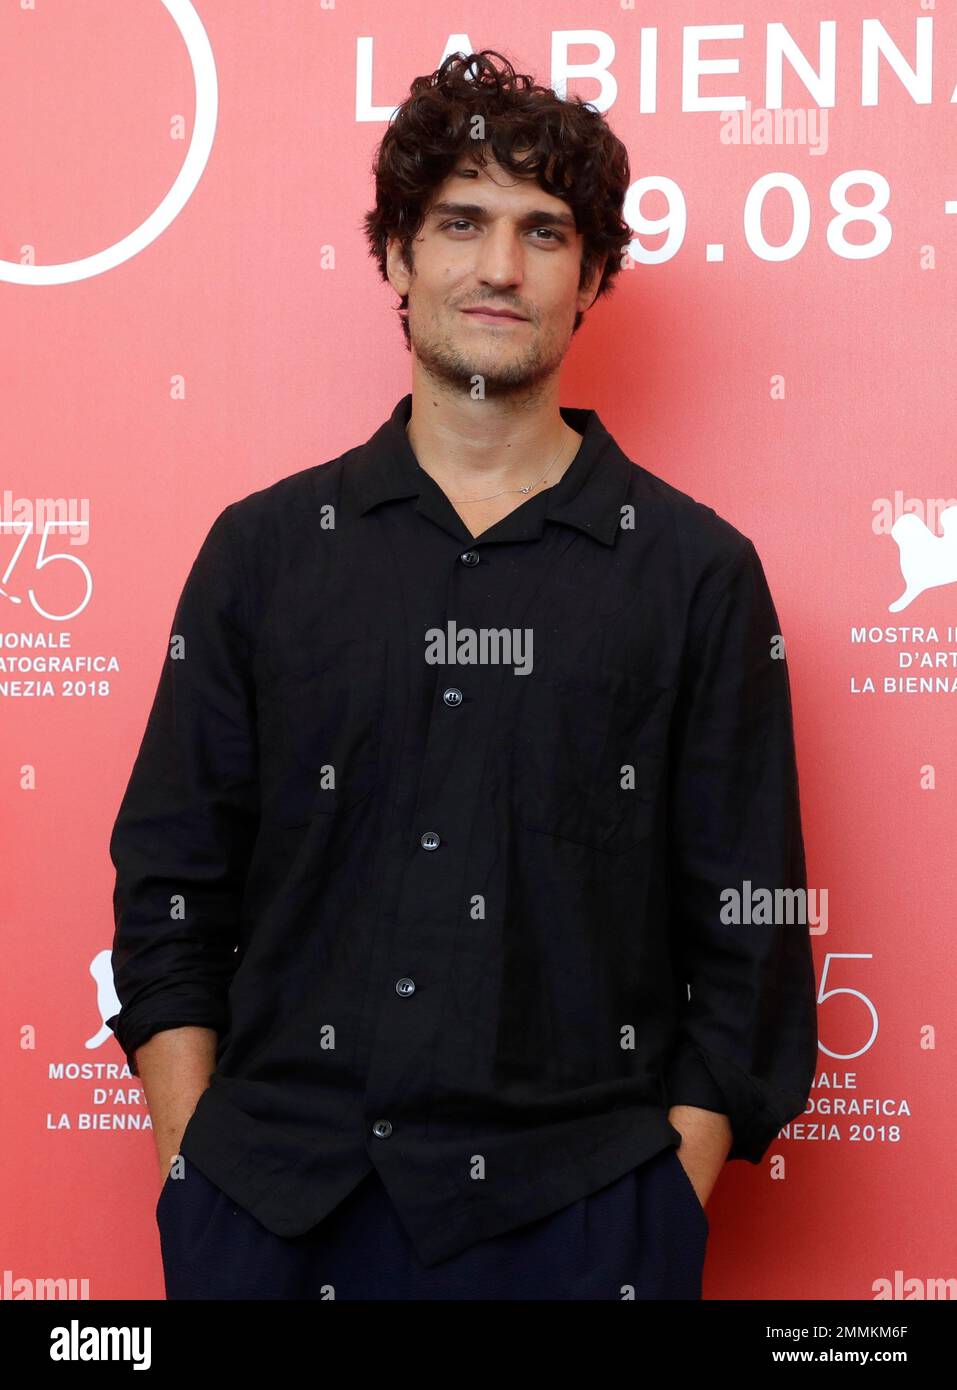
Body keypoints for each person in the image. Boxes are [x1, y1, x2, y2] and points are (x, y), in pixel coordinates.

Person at [107, 50, 818, 1301]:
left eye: (546, 232)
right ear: (394, 255)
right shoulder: (262, 553)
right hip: (273, 1213)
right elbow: (171, 879)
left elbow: (750, 927)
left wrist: (661, 1198)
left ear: (593, 277)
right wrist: (190, 1155)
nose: (500, 267)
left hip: (583, 1222)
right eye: (461, 221)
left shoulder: (698, 576)